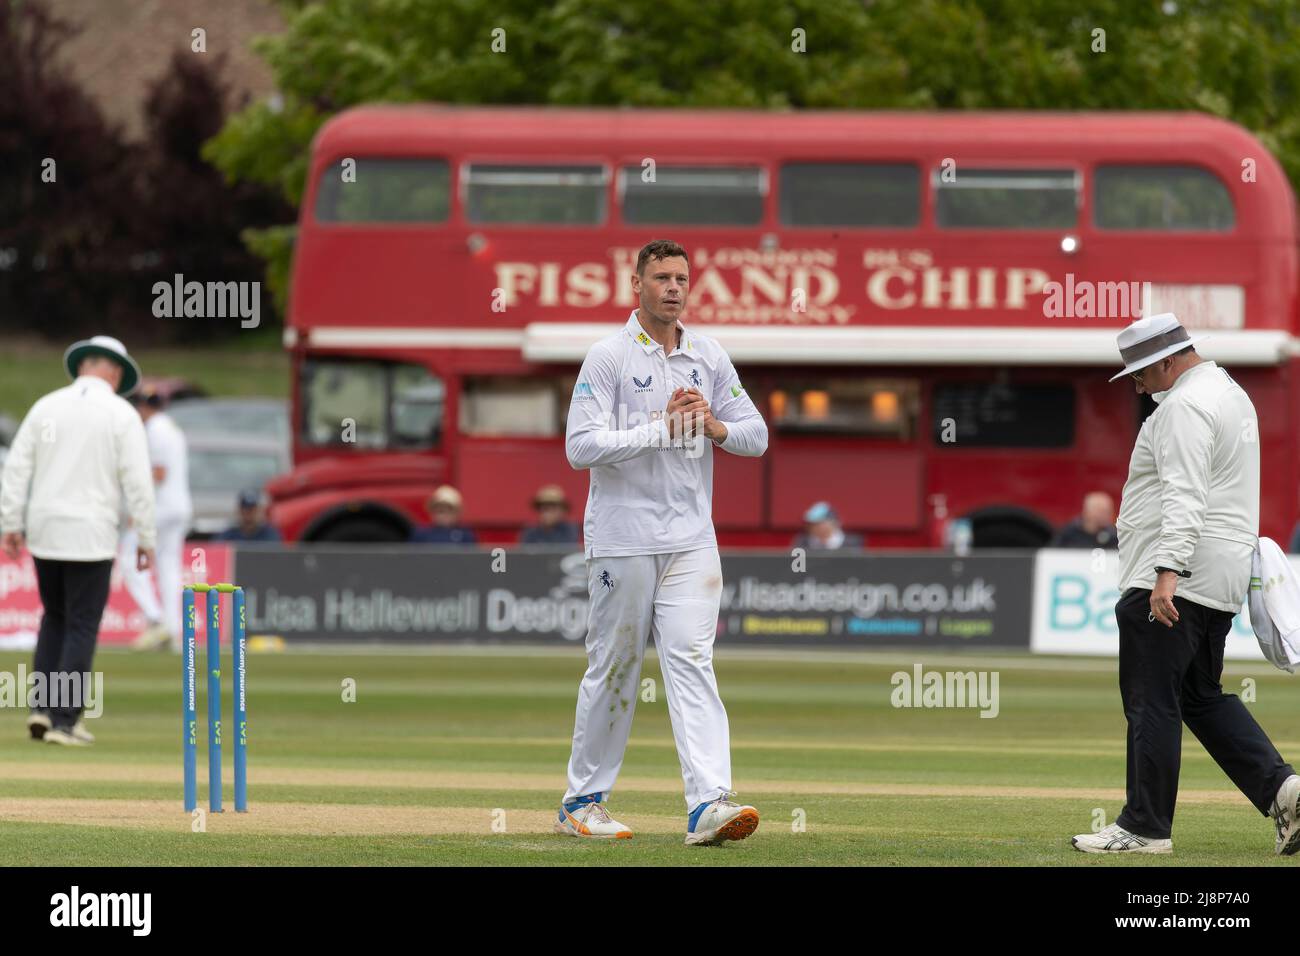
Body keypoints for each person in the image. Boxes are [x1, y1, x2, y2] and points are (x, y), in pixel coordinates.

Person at [558, 238, 768, 846]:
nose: (673, 288)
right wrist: (659, 429)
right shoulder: (608, 356)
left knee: (692, 663)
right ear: (638, 284)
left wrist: (712, 425)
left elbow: (754, 435)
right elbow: (581, 446)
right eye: (662, 278)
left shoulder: (708, 355)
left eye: (681, 277)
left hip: (691, 541)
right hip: (622, 539)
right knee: (615, 668)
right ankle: (583, 802)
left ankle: (708, 804)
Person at [1072, 313, 1300, 856]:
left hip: (1175, 574)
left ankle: (1145, 827)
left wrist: (1166, 572)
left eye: (1141, 373)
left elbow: (1184, 494)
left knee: (1151, 701)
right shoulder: (1231, 394)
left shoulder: (1182, 407)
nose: (1137, 385)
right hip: (1218, 574)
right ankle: (1285, 791)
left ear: (1169, 362)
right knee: (1200, 696)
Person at [0, 336, 155, 746]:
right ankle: (63, 721)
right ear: (115, 372)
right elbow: (138, 480)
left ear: (83, 365)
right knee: (82, 623)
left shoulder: (46, 406)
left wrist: (10, 524)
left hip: (47, 529)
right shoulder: (122, 413)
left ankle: (42, 707)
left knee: (55, 617)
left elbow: (16, 469)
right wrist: (147, 536)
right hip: (91, 532)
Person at [122, 388, 192, 651]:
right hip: (179, 506)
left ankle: (155, 619)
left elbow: (158, 474)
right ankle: (173, 631)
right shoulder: (172, 427)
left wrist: (136, 509)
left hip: (160, 508)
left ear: (142, 407)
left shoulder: (154, 430)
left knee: (130, 558)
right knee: (168, 566)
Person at [409, 485, 476, 544]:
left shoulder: (465, 536)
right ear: (432, 511)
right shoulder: (421, 534)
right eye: (440, 511)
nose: (444, 515)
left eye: (449, 510)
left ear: (456, 513)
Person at [1051, 492, 1118, 548]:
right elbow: (1052, 554)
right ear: (1087, 512)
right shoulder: (1069, 533)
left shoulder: (1115, 536)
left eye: (1108, 511)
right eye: (1101, 511)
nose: (1106, 515)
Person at [792, 501, 864, 551]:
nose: (814, 527)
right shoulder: (802, 542)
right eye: (811, 524)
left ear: (834, 523)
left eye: (819, 523)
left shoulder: (853, 543)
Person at [215, 488, 282, 542]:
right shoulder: (228, 535)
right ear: (239, 510)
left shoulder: (270, 535)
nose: (248, 514)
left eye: (252, 510)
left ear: (259, 510)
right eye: (245, 509)